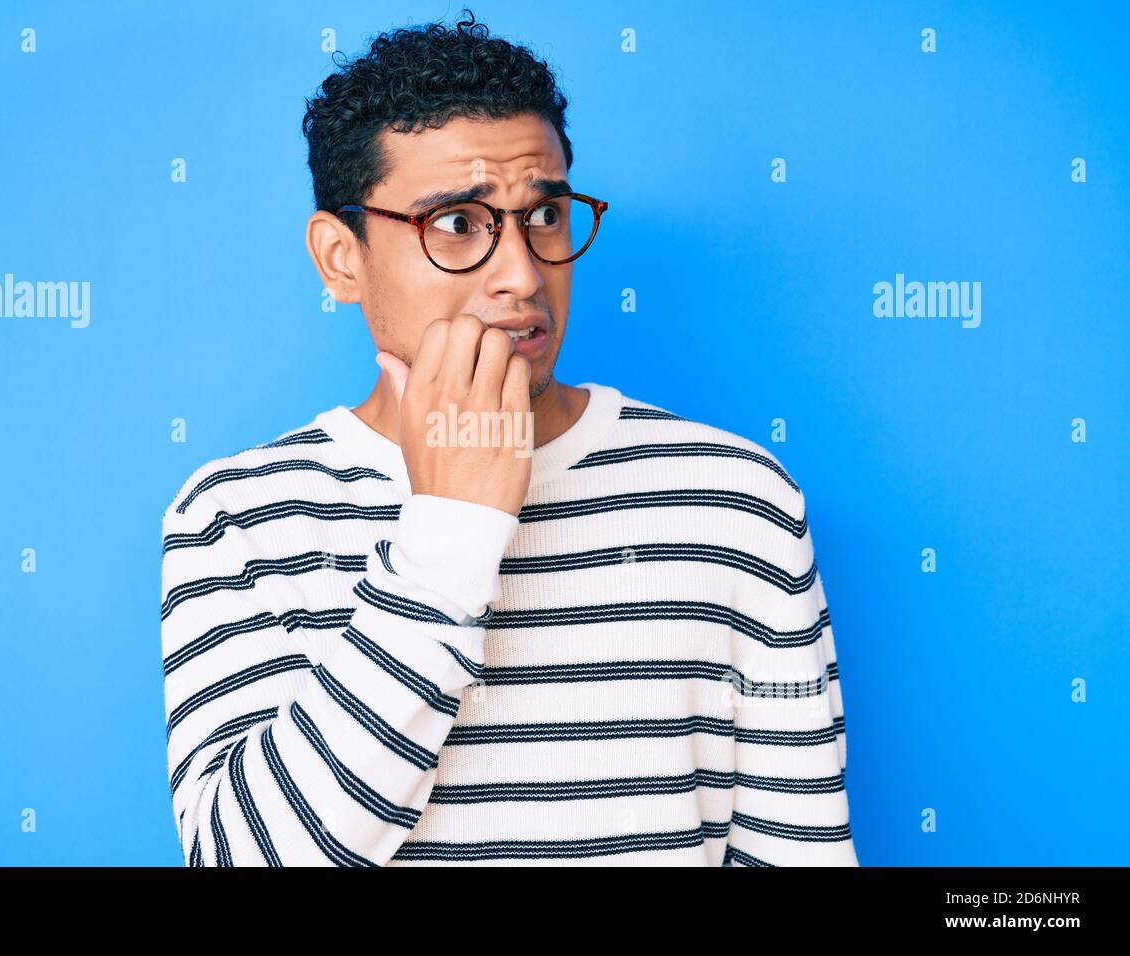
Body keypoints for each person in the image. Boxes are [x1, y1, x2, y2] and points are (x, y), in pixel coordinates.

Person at [159, 9, 858, 866]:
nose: (523, 274)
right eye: (457, 223)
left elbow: (802, 854)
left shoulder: (738, 500)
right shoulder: (239, 517)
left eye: (545, 215)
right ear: (341, 258)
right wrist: (449, 534)